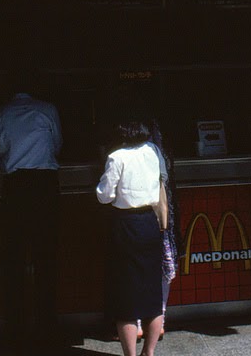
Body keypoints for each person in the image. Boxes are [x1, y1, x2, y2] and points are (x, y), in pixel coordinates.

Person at [0, 85, 63, 347]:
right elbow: (56, 145)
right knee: (46, 257)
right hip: (45, 184)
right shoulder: (48, 110)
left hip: (15, 186)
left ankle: (15, 327)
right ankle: (47, 325)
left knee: (13, 258)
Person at [96, 121, 167, 356]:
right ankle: (149, 352)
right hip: (149, 221)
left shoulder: (116, 157)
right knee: (152, 293)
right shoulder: (152, 152)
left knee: (125, 296)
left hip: (125, 224)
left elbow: (105, 196)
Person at [148, 119, 178, 340]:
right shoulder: (158, 148)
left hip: (134, 218)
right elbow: (164, 179)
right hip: (161, 216)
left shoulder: (121, 153)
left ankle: (139, 322)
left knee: (138, 270)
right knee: (163, 269)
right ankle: (160, 320)